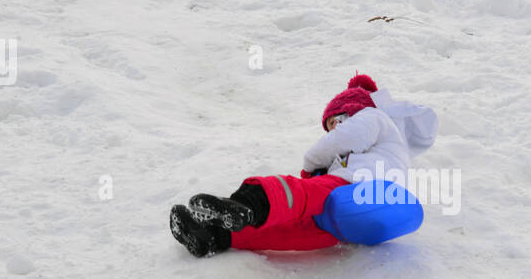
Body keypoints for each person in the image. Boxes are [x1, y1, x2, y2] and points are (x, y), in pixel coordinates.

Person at [170, 74, 435, 257]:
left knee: (301, 193)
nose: (332, 130)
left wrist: (310, 167)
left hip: (360, 186)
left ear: (349, 112)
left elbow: (345, 137)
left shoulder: (372, 116)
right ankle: (215, 237)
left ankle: (246, 203)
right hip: (357, 222)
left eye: (333, 122)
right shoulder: (372, 150)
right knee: (292, 231)